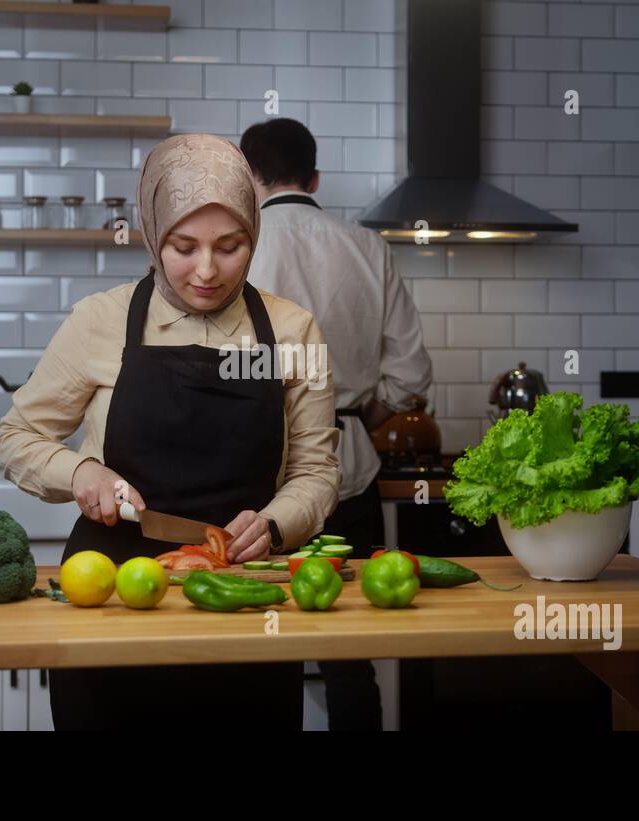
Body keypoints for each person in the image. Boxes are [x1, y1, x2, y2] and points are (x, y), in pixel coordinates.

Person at [0, 133, 340, 730]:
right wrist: (81, 471)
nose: (206, 271)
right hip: (112, 594)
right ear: (153, 234)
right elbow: (16, 437)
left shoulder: (292, 331)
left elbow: (316, 470)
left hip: (241, 597)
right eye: (183, 247)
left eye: (230, 247)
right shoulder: (99, 320)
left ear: (253, 237)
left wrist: (278, 524)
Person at [241, 118, 433, 731]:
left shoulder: (234, 245)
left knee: (255, 643)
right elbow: (409, 380)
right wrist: (355, 413)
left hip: (252, 472)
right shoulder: (368, 246)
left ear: (248, 177)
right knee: (349, 645)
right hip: (349, 471)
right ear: (314, 176)